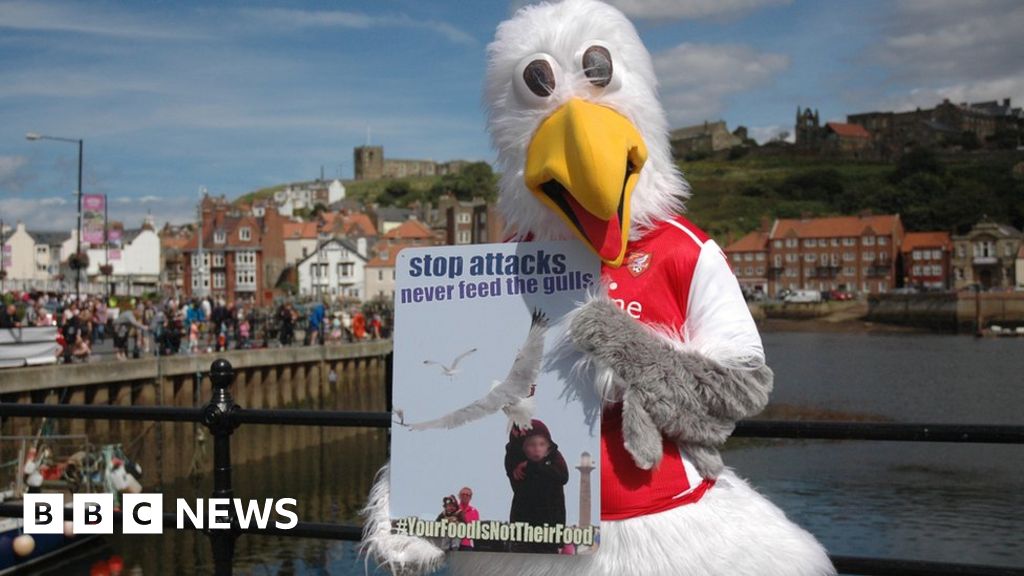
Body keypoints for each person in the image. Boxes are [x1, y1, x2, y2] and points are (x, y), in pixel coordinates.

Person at [504, 419, 568, 554]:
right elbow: (515, 476)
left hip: (550, 527)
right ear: (524, 447)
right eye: (531, 445)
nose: (537, 449)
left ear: (548, 446)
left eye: (542, 444)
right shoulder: (517, 464)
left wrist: (533, 465)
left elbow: (562, 477)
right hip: (524, 527)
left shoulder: (555, 458)